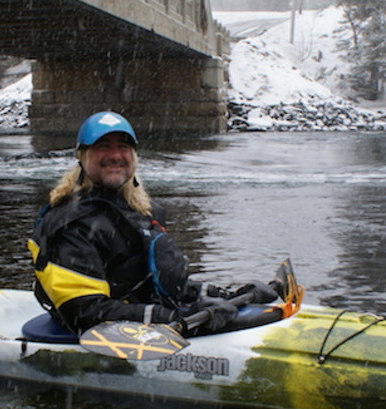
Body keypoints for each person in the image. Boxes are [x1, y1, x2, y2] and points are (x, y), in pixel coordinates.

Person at [28, 111, 274, 336]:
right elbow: (85, 312)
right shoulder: (69, 224)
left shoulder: (138, 211)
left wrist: (226, 295)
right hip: (102, 334)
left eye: (122, 147)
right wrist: (173, 317)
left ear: (133, 156)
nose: (115, 155)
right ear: (83, 157)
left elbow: (156, 283)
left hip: (141, 318)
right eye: (103, 146)